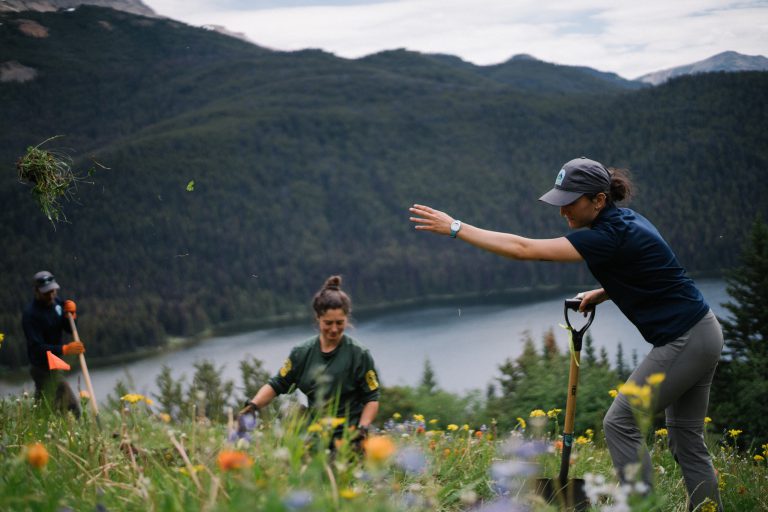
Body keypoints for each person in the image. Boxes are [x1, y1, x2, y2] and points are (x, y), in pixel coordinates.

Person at [409, 157, 723, 511]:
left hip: (684, 340)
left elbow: (523, 249)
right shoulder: (628, 221)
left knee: (620, 424)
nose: (563, 212)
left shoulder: (607, 236)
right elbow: (652, 267)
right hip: (704, 331)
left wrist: (455, 227)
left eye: (570, 202)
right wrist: (604, 292)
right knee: (686, 442)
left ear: (599, 200)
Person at [240, 275, 380, 442]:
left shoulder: (359, 354)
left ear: (346, 319)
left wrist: (362, 430)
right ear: (318, 319)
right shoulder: (301, 353)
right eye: (328, 323)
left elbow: (372, 398)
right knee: (291, 411)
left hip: (350, 436)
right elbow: (277, 384)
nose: (334, 329)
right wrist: (253, 406)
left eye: (339, 322)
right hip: (315, 434)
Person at [22, 270, 85, 418]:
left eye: (53, 291)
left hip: (55, 364)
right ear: (36, 291)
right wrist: (64, 349)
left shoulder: (56, 303)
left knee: (45, 403)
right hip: (42, 367)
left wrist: (72, 314)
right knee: (71, 405)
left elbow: (69, 328)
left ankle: (37, 425)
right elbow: (37, 349)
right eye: (46, 293)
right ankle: (74, 427)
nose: (51, 295)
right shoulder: (30, 315)